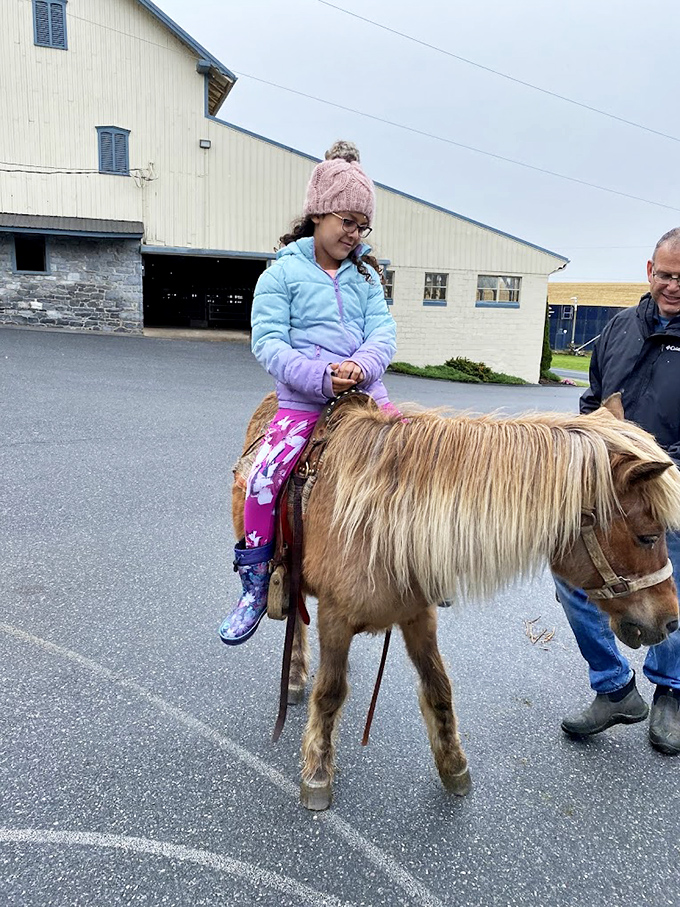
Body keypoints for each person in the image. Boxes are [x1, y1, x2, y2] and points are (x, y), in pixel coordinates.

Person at [219, 141, 397, 646]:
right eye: (347, 219)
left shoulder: (366, 277)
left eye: (363, 225)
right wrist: (320, 377)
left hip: (366, 398)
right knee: (261, 482)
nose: (354, 233)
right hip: (302, 402)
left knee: (414, 461)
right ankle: (255, 584)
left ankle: (419, 564)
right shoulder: (281, 274)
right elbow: (268, 343)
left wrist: (361, 366)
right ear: (318, 211)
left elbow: (384, 333)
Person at [554, 227, 680, 755]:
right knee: (572, 582)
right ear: (649, 270)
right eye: (666, 274)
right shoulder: (619, 328)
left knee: (670, 587)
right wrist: (590, 444)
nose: (673, 285)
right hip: (608, 492)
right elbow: (594, 398)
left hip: (668, 489)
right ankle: (613, 687)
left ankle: (670, 692)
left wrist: (660, 469)